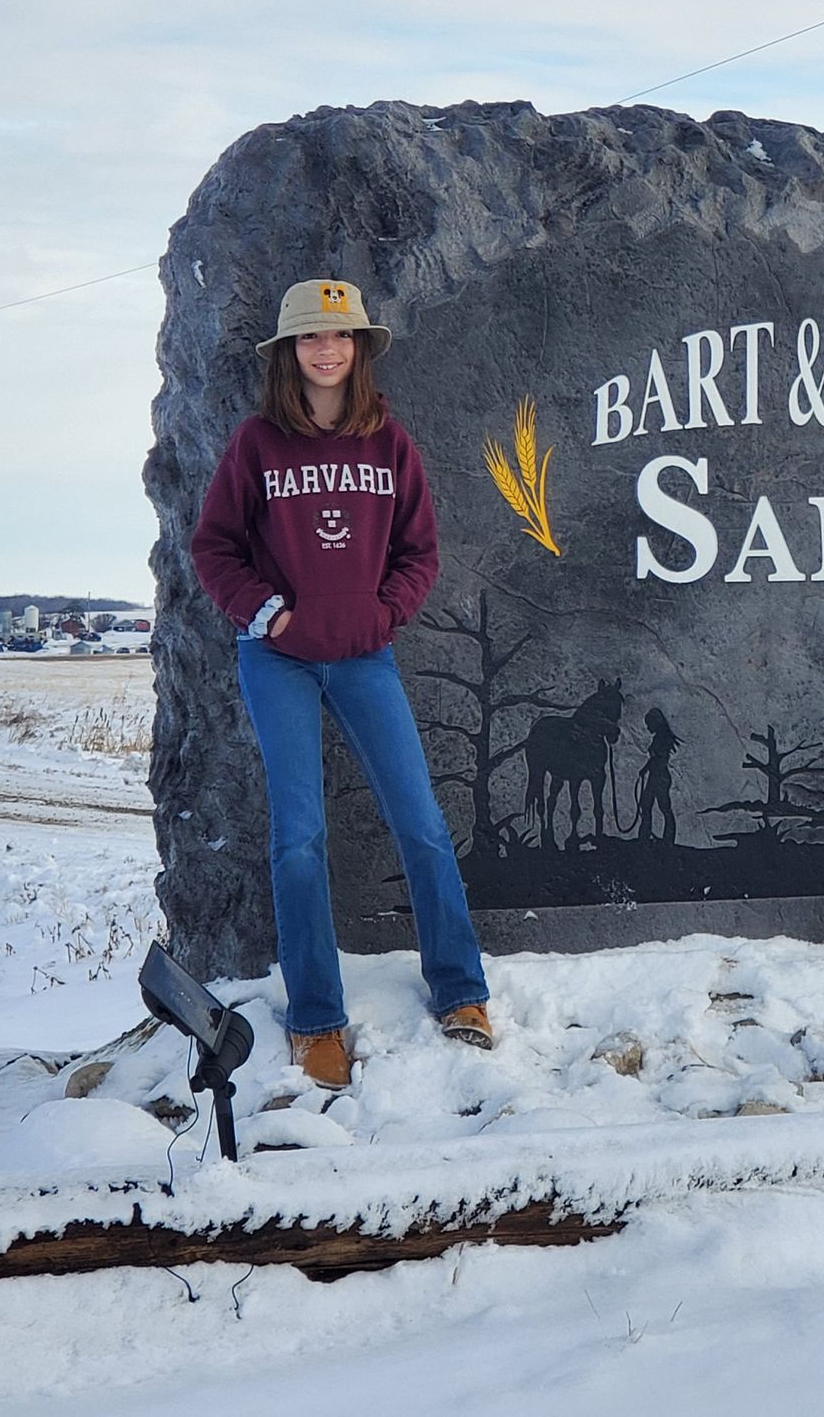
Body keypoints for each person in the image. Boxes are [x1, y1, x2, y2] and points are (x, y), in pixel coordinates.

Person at [191, 278, 494, 1088]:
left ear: (358, 349)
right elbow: (213, 547)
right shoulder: (257, 444)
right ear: (289, 353)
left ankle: (462, 993)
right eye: (311, 339)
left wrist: (384, 612)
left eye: (342, 337)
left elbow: (419, 550)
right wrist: (267, 614)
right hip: (279, 658)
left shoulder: (388, 442)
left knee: (422, 823)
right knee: (299, 837)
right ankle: (317, 1018)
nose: (327, 351)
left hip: (365, 655)